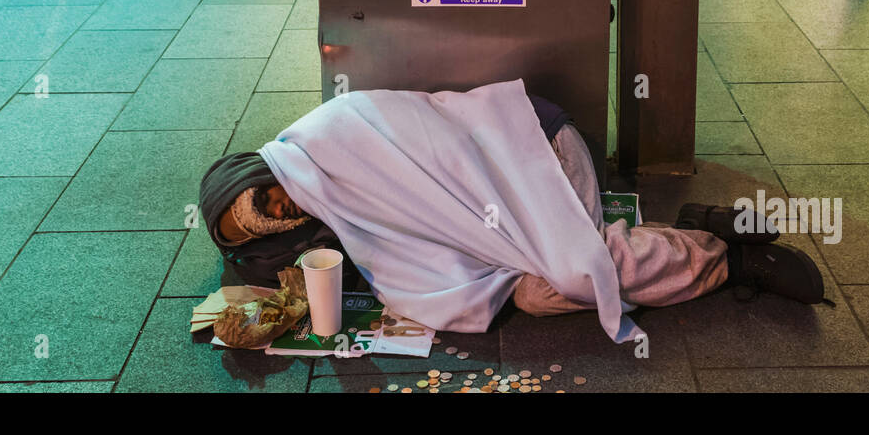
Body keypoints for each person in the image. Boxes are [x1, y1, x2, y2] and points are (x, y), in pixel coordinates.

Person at [199, 82, 823, 342]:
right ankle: (695, 231)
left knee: (584, 270)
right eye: (267, 222)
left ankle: (731, 260)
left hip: (533, 150)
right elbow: (414, 242)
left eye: (261, 197)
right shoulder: (332, 221)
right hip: (500, 215)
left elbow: (452, 167)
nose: (279, 206)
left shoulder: (332, 130)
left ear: (253, 172)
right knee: (536, 295)